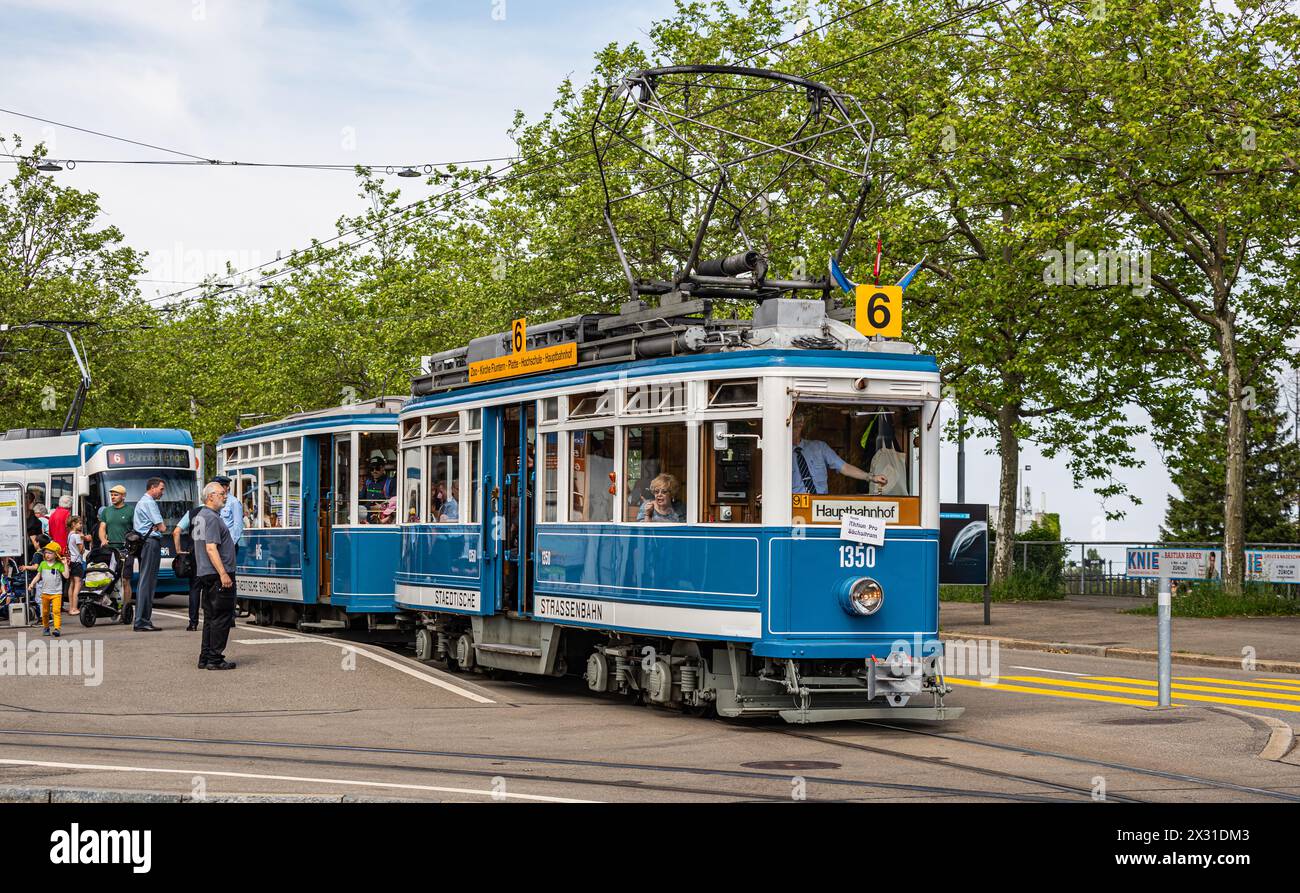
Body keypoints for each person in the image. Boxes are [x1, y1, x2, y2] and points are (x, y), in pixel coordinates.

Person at [192, 481, 237, 670]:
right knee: (221, 616)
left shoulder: (200, 516)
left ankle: (206, 656)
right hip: (217, 574)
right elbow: (211, 548)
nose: (225, 495)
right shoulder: (211, 517)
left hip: (204, 572)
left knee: (210, 617)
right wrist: (223, 573)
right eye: (221, 493)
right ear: (210, 496)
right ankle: (215, 658)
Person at [790, 410, 883, 495]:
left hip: (820, 505)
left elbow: (844, 467)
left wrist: (871, 477)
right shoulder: (782, 453)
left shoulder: (819, 447)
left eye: (795, 426)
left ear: (801, 425)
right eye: (790, 426)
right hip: (793, 506)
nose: (793, 430)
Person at [132, 477, 166, 632]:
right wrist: (158, 527)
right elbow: (163, 527)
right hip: (150, 543)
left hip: (144, 543)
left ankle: (142, 619)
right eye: (161, 489)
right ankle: (142, 620)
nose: (162, 492)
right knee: (148, 582)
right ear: (152, 488)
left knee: (145, 581)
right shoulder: (149, 502)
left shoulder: (141, 502)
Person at [20, 542, 68, 638]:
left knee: (56, 611)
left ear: (56, 554)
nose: (47, 555)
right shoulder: (42, 564)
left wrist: (65, 564)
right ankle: (46, 627)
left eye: (50, 553)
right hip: (45, 592)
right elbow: (38, 576)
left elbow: (66, 576)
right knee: (45, 612)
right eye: (46, 552)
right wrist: (32, 584)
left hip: (57, 593)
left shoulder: (59, 565)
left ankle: (57, 628)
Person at [173, 499, 206, 631]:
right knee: (209, 588)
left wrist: (178, 550)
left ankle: (193, 623)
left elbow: (176, 531)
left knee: (194, 588)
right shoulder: (215, 513)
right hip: (209, 553)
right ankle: (210, 620)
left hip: (193, 554)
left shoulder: (191, 513)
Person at [65, 516, 88, 616]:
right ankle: (74, 608)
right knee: (78, 584)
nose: (81, 525)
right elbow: (82, 550)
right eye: (79, 523)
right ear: (74, 524)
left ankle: (71, 607)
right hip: (77, 561)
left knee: (72, 584)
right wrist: (82, 539)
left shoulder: (70, 535)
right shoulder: (77, 536)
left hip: (71, 561)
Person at [360, 457, 394, 522]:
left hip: (383, 521)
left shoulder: (390, 482)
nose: (374, 471)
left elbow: (395, 501)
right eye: (372, 469)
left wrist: (382, 506)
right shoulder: (368, 482)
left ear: (383, 468)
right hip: (366, 520)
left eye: (377, 468)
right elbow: (361, 498)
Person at [48, 496, 71, 560]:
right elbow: (70, 530)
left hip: (55, 546)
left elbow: (50, 533)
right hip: (65, 546)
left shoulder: (53, 514)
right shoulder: (67, 513)